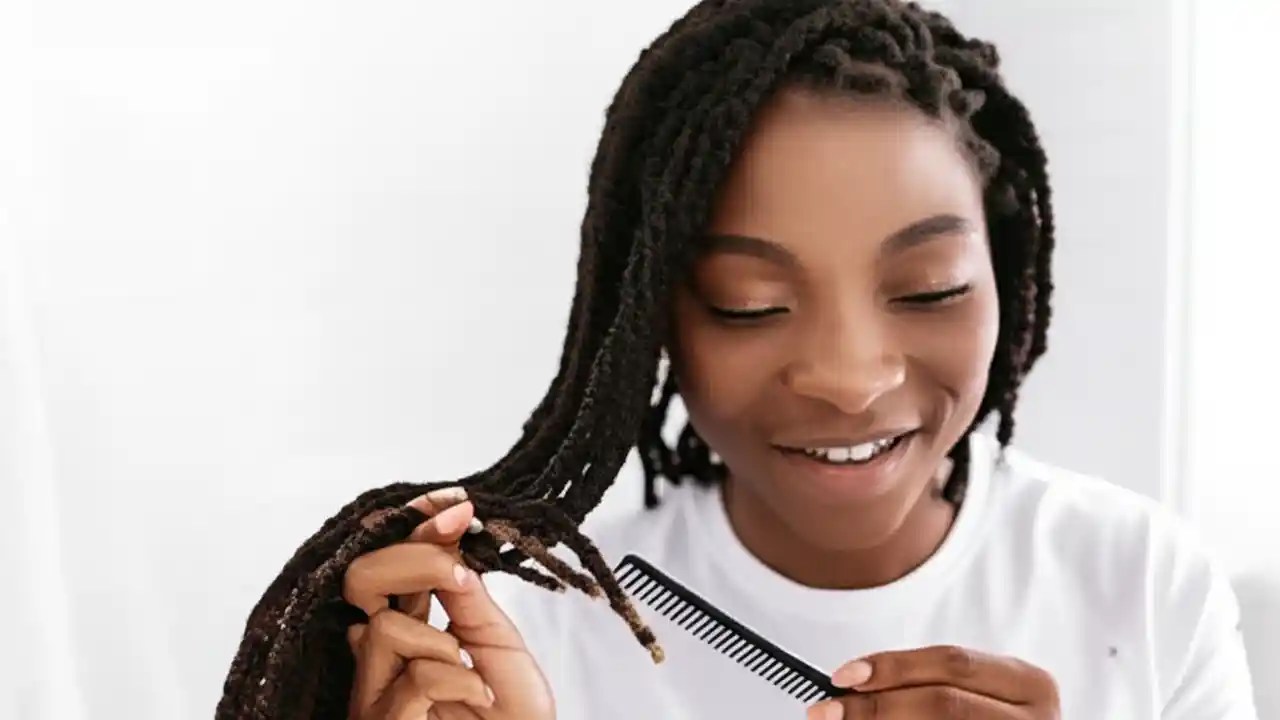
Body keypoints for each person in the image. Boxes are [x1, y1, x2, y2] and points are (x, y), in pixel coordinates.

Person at [216, 1, 1260, 718]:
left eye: (928, 288)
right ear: (652, 325)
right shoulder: (528, 639)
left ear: (1007, 276)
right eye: (748, 305)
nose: (849, 376)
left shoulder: (1140, 585)